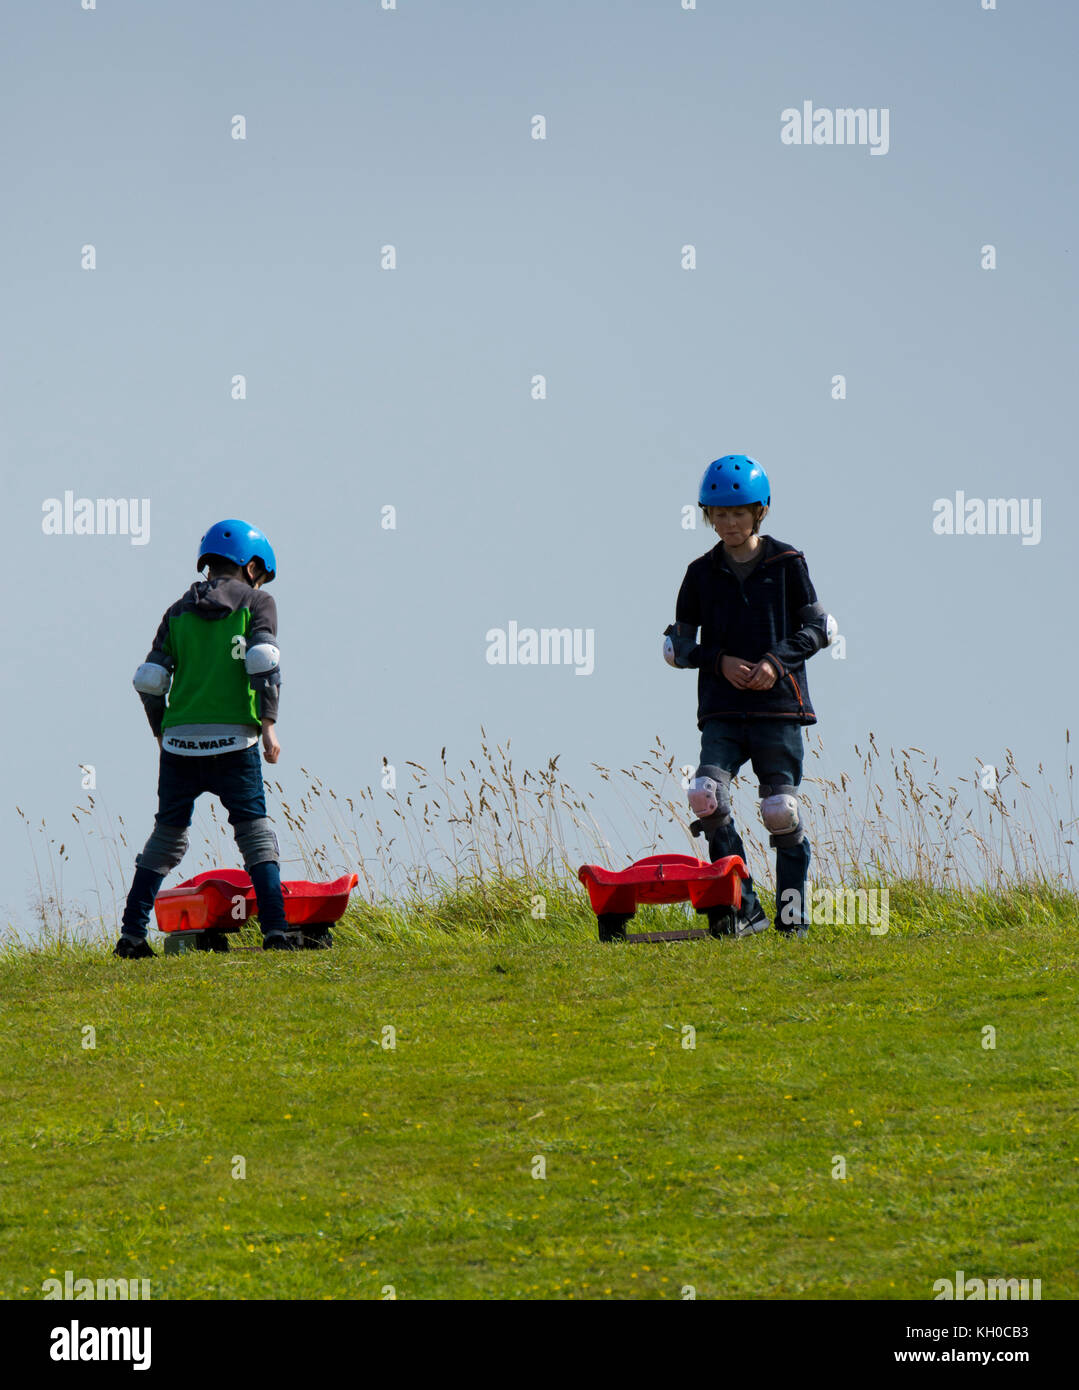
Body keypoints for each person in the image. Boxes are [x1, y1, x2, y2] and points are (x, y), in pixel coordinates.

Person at [663, 456, 836, 937]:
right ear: (707, 515)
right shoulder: (699, 573)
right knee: (705, 796)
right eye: (719, 514)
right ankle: (747, 907)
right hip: (721, 709)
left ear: (760, 512)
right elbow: (677, 645)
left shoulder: (787, 562)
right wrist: (717, 660)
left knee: (780, 812)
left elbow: (819, 629)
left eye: (739, 513)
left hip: (779, 708)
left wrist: (775, 663)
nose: (729, 523)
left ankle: (791, 921)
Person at [113, 519, 301, 957]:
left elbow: (150, 678)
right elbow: (262, 660)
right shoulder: (260, 601)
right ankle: (275, 933)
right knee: (256, 836)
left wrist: (162, 731)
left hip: (180, 743)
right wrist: (269, 724)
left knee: (166, 838)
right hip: (236, 741)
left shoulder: (177, 610)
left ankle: (131, 936)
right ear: (252, 566)